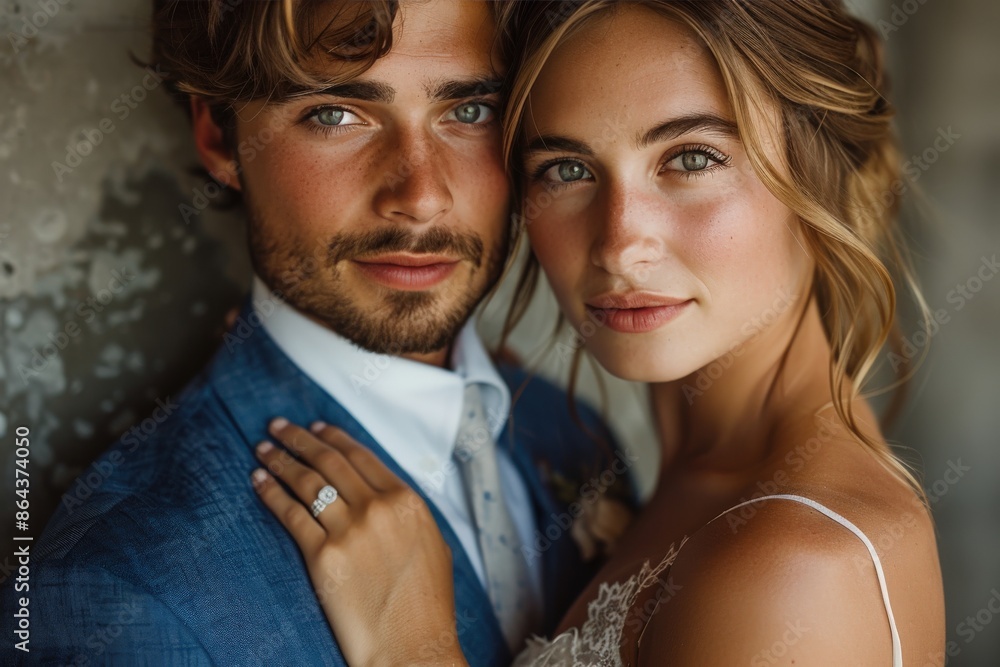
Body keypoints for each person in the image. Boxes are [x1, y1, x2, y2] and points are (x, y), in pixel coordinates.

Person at [253, 0, 947, 664]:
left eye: (691, 158)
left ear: (817, 172)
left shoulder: (796, 561)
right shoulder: (669, 469)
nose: (618, 244)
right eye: (568, 170)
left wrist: (412, 649)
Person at [0, 2, 637, 665]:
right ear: (219, 135)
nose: (420, 194)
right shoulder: (118, 587)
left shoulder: (572, 435)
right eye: (336, 114)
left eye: (469, 110)